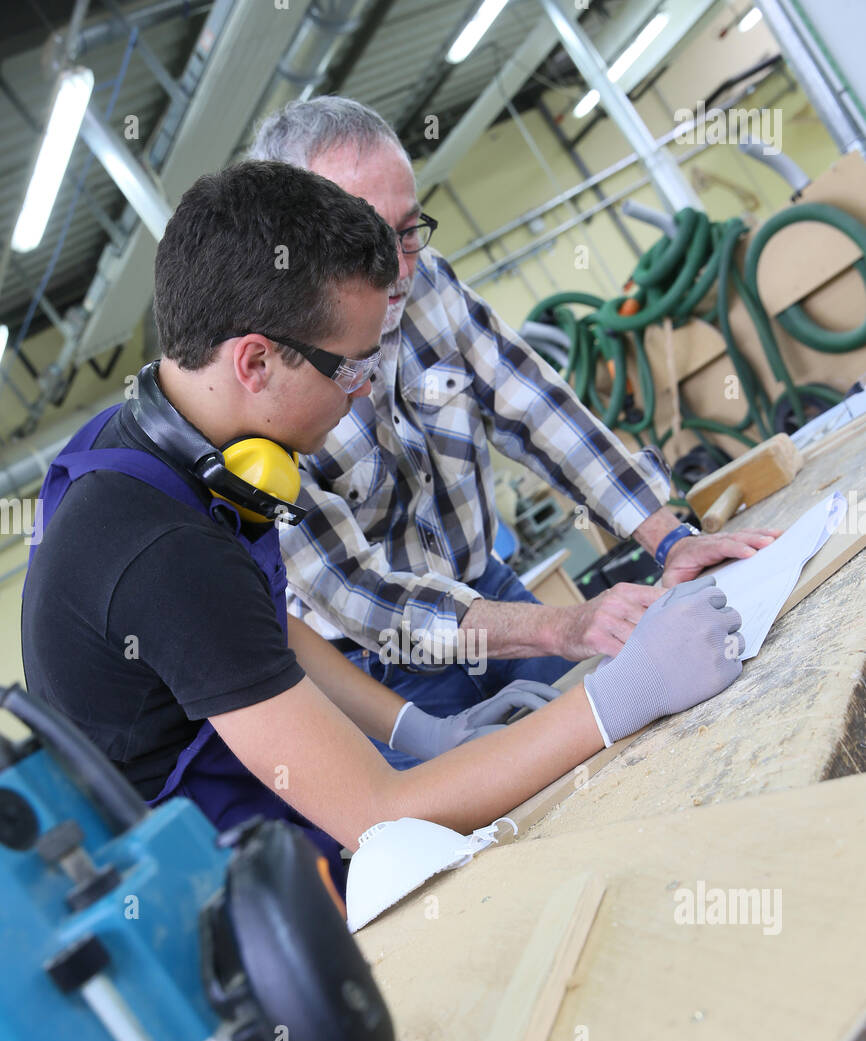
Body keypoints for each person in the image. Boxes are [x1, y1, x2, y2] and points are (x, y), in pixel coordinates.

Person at [21, 161, 745, 888]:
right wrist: (630, 690)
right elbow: (378, 814)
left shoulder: (154, 440)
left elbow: (259, 627)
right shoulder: (164, 554)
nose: (365, 388)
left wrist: (419, 730)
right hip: (217, 884)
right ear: (255, 362)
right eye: (351, 368)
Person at [250, 97, 776, 768]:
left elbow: (534, 407)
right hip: (389, 667)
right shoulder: (272, 387)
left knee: (641, 749)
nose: (401, 269)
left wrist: (667, 535)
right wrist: (564, 625)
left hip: (487, 588)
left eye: (410, 232)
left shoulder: (425, 285)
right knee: (517, 838)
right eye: (367, 246)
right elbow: (364, 594)